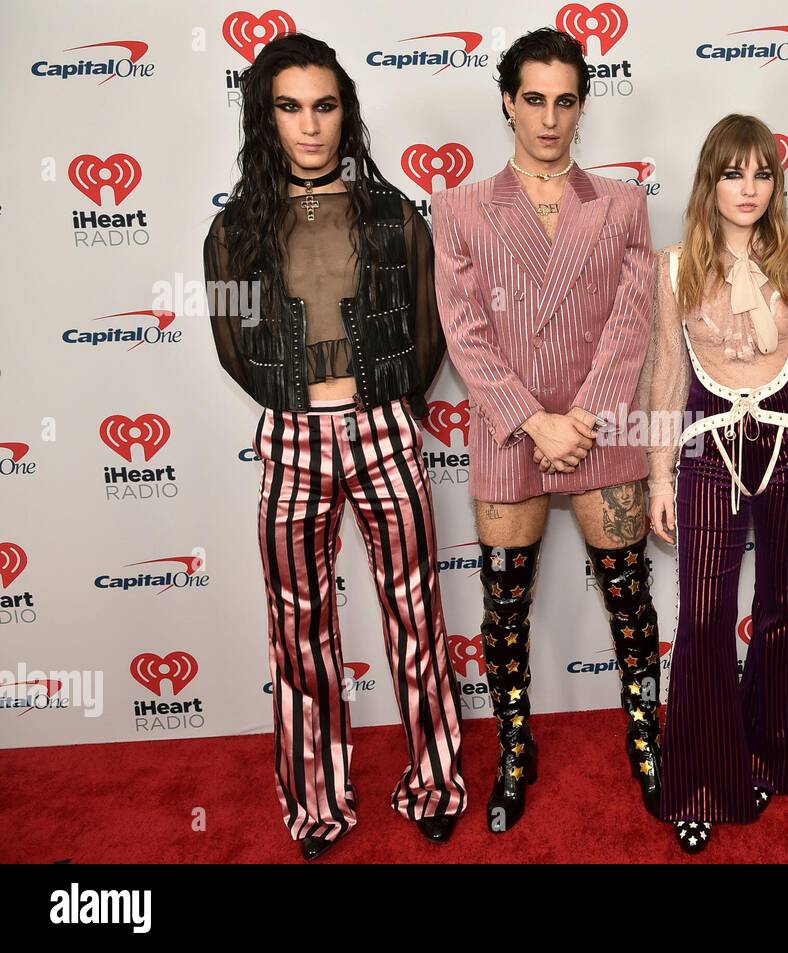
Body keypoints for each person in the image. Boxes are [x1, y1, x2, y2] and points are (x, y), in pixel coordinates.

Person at [204, 33, 465, 861]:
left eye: (324, 106)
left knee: (416, 612)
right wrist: (302, 403)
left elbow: (429, 336)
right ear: (265, 116)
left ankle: (435, 781)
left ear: (345, 113)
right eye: (290, 107)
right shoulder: (232, 230)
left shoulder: (393, 216)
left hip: (386, 428)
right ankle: (317, 803)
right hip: (288, 439)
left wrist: (375, 398)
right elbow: (235, 347)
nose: (310, 126)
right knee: (298, 624)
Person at [430, 27, 660, 833]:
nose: (550, 118)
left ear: (583, 105)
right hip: (508, 429)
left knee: (629, 596)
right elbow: (464, 330)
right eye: (534, 99)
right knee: (503, 606)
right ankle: (515, 751)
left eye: (566, 100)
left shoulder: (624, 204)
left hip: (604, 429)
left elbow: (632, 323)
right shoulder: (458, 207)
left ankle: (647, 739)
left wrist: (580, 421)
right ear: (507, 101)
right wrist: (534, 420)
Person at [646, 115, 788, 854]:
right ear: (711, 179)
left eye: (762, 172)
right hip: (707, 450)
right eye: (734, 172)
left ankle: (770, 757)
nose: (749, 187)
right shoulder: (674, 265)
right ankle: (702, 780)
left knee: (784, 605)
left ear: (776, 181)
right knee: (703, 614)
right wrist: (659, 474)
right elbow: (667, 377)